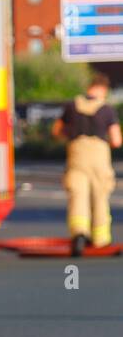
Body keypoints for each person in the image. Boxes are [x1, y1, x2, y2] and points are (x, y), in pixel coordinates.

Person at [52, 72, 120, 255]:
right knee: (100, 196)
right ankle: (101, 239)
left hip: (76, 154)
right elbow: (116, 140)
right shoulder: (107, 110)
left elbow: (56, 130)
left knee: (78, 195)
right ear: (103, 90)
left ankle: (79, 235)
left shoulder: (72, 106)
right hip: (99, 156)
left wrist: (72, 136)